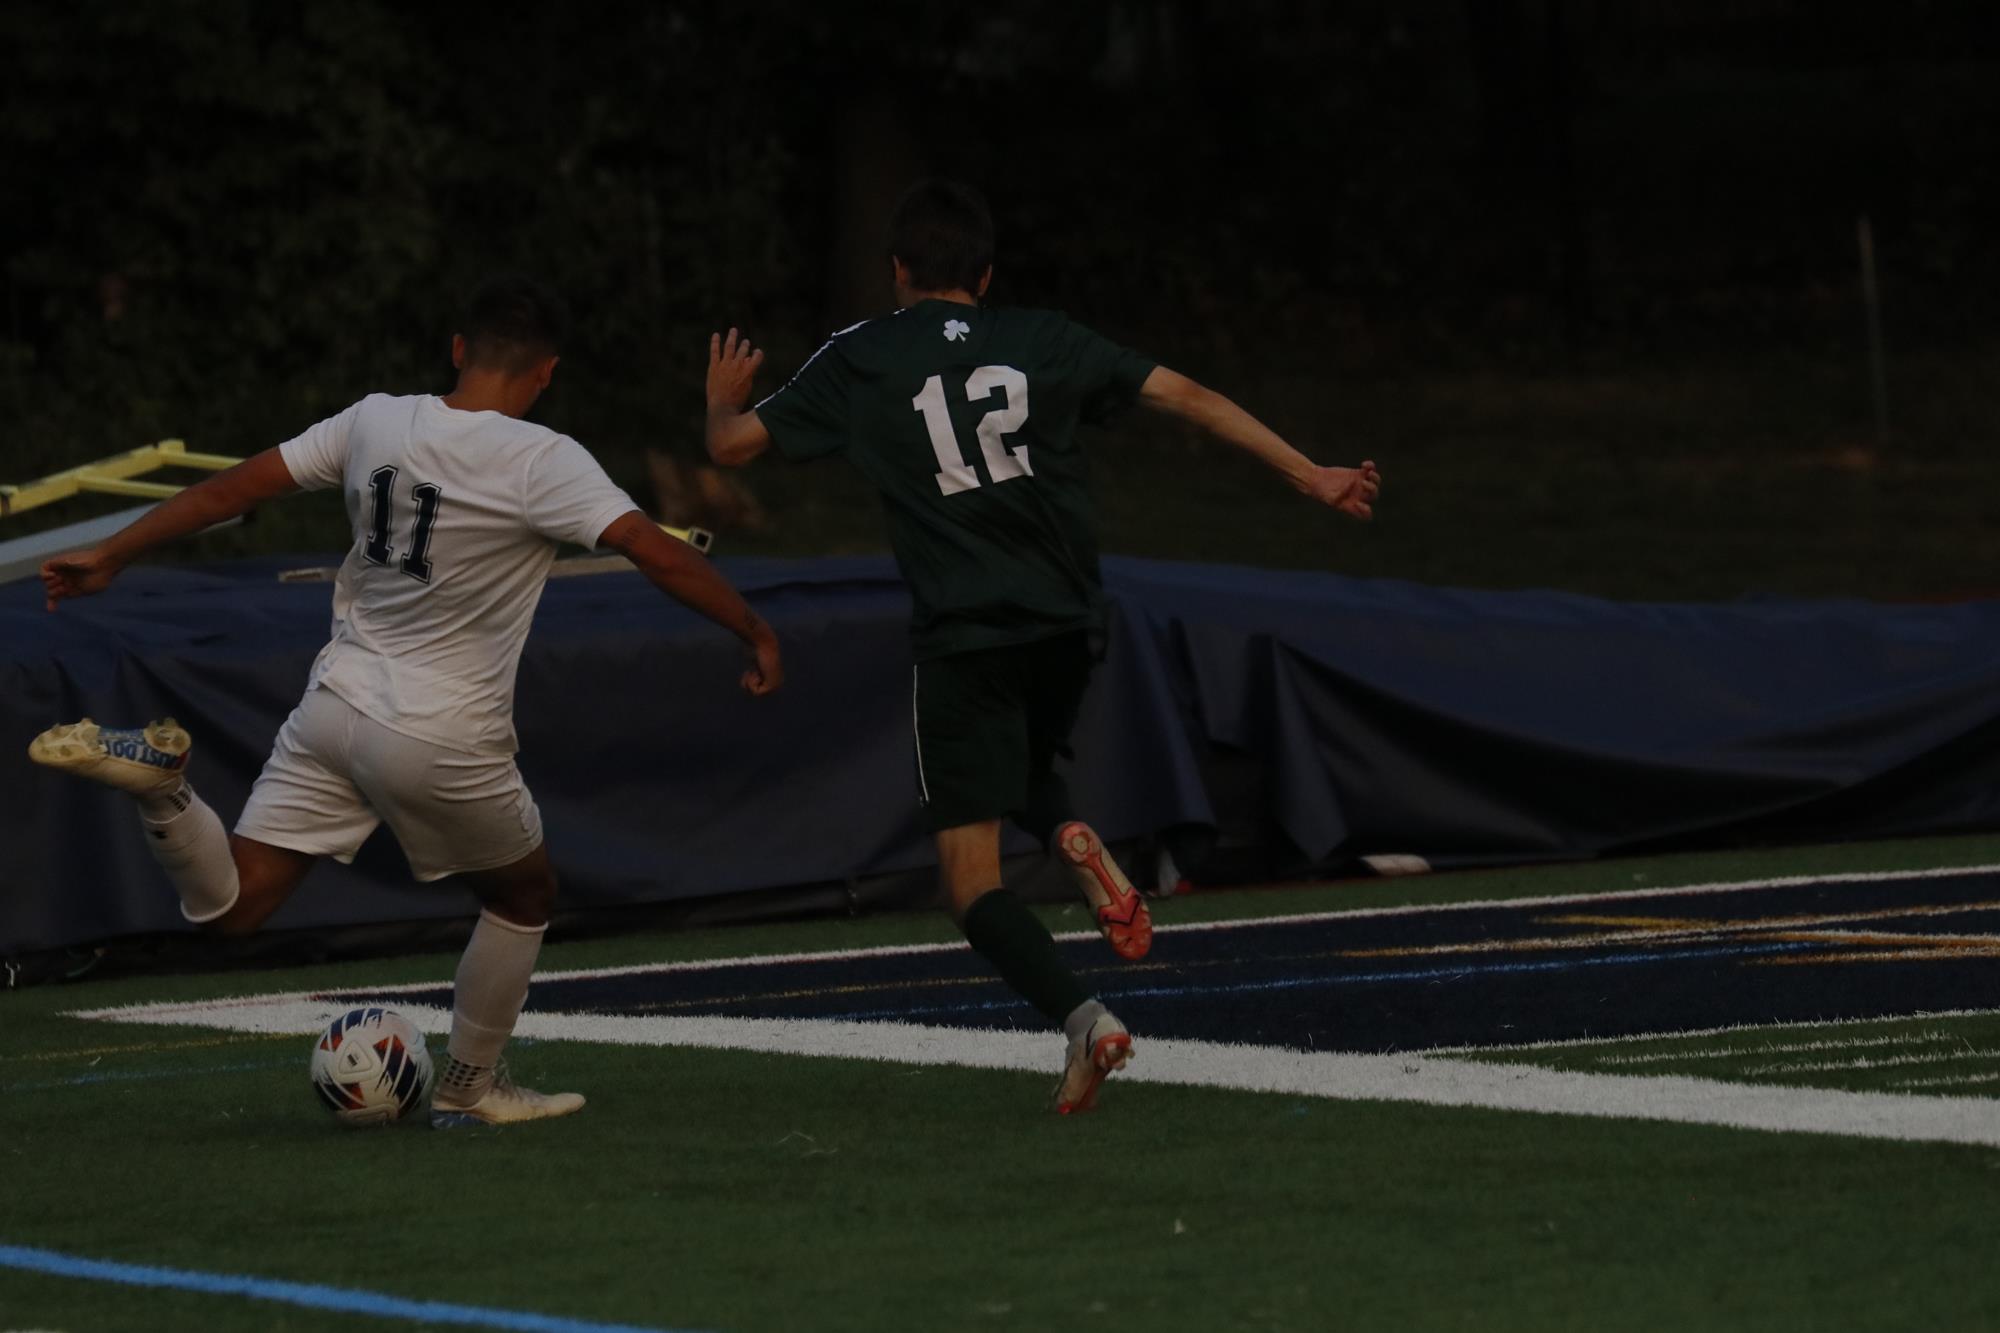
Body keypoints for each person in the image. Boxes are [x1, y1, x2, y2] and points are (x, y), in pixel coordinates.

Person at [30, 276, 783, 1127]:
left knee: (236, 905)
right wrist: (754, 628)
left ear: (459, 349)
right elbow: (658, 553)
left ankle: (167, 789)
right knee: (523, 895)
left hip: (335, 705)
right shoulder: (543, 458)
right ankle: (472, 1082)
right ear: (546, 374)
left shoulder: (375, 419)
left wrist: (114, 552)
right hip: (437, 730)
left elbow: (234, 489)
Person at [702, 180, 1380, 1113]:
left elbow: (734, 449)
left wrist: (719, 402)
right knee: (1020, 763)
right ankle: (1070, 831)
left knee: (969, 880)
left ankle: (1084, 1018)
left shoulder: (863, 354)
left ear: (898, 270)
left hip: (965, 630)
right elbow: (1184, 394)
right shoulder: (1044, 338)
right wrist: (1311, 472)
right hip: (1068, 617)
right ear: (986, 274)